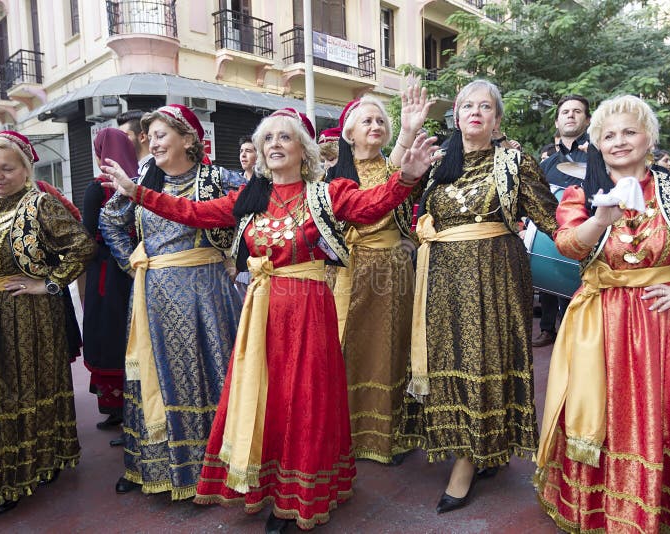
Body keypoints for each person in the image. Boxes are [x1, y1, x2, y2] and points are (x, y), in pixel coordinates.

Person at [100, 105, 439, 531]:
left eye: (285, 136)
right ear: (259, 152)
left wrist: (405, 177)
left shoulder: (325, 192)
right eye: (268, 138)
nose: (275, 144)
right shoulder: (251, 198)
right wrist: (138, 193)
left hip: (309, 309)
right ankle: (267, 484)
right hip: (262, 312)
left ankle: (296, 497)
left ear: (304, 149)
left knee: (305, 400)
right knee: (265, 399)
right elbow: (194, 213)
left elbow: (372, 207)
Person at [535, 95, 670, 533]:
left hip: (668, 325)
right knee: (602, 420)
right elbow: (568, 244)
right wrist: (601, 218)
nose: (619, 141)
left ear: (649, 138)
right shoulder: (582, 193)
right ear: (597, 144)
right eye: (608, 135)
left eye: (630, 131)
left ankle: (659, 512)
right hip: (602, 324)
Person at [405, 79, 558, 514]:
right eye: (467, 105)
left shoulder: (514, 161)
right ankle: (472, 445)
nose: (475, 112)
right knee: (446, 363)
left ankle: (468, 463)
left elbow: (554, 220)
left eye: (485, 106)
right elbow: (396, 200)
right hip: (439, 282)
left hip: (494, 279)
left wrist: (606, 232)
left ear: (496, 119)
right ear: (455, 115)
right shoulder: (436, 163)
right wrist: (405, 146)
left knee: (483, 360)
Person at [0, 131, 96, 516]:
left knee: (16, 392)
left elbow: (82, 246)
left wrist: (48, 284)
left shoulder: (40, 205)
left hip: (22, 314)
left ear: (26, 169)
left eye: (6, 168)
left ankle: (14, 477)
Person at [99, 104, 243, 500]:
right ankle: (151, 465)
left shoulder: (217, 177)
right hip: (155, 293)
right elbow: (110, 220)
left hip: (207, 293)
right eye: (150, 136)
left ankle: (216, 467)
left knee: (210, 372)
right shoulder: (146, 178)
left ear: (188, 139)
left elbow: (252, 206)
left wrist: (235, 255)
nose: (152, 142)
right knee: (152, 376)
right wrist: (132, 262)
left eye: (161, 134)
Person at [328, 88, 431, 465]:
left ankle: (387, 436)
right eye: (366, 120)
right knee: (343, 348)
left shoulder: (392, 167)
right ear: (348, 133)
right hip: (348, 272)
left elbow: (401, 175)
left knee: (389, 350)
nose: (375, 125)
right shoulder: (333, 176)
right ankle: (345, 434)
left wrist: (407, 131)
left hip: (390, 274)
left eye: (380, 121)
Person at [81, 128, 135, 433]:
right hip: (135, 269)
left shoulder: (97, 188)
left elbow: (88, 234)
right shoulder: (141, 185)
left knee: (107, 334)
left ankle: (115, 407)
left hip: (105, 272)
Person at [535, 95, 592, 347]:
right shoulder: (546, 164)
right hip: (553, 237)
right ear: (557, 122)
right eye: (565, 112)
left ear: (587, 120)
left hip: (589, 239)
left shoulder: (599, 158)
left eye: (577, 111)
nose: (570, 115)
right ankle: (550, 329)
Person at [117, 109, 152, 177]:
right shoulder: (137, 170)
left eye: (124, 136)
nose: (119, 141)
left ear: (142, 137)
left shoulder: (159, 167)